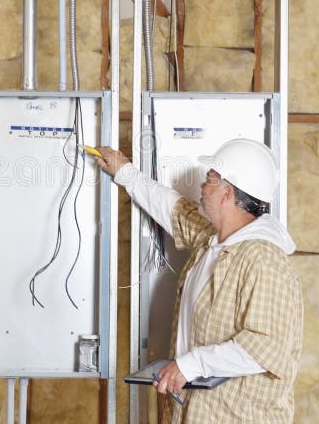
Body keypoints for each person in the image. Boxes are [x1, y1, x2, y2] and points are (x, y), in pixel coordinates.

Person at [95, 138, 303, 423]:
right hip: (200, 413)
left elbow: (265, 348)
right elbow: (174, 210)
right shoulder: (214, 241)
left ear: (227, 193)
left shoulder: (263, 259)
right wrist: (125, 172)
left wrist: (189, 365)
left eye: (209, 181)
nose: (201, 188)